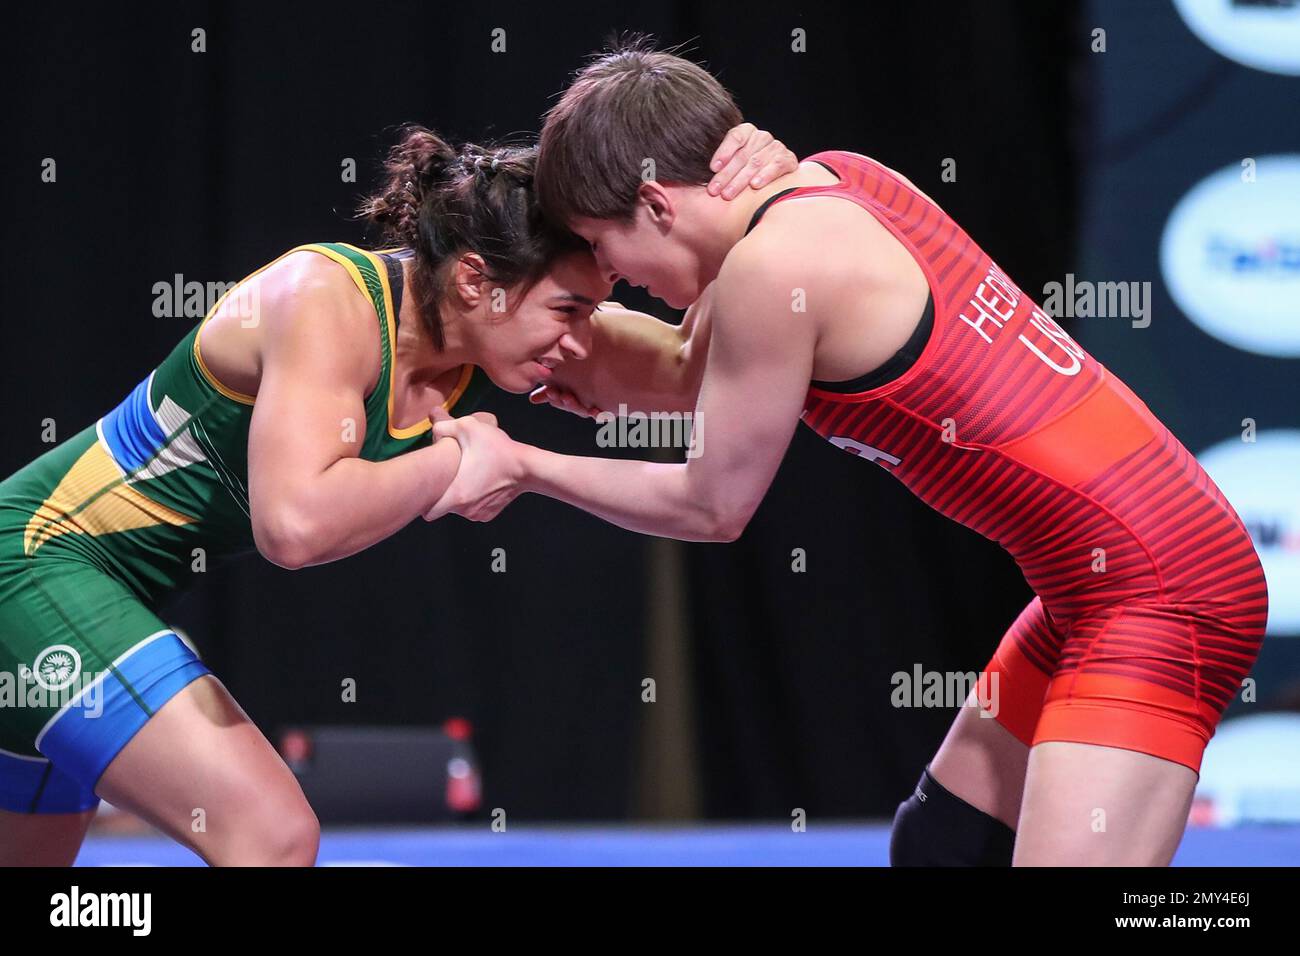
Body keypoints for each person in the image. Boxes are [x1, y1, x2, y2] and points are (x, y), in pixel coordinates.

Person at [427, 41, 1270, 866]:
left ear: (655, 203)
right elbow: (695, 373)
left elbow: (712, 507)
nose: (611, 277)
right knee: (945, 847)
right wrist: (527, 337)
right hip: (1099, 584)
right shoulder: (835, 181)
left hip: (1164, 589)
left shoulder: (774, 269)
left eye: (601, 248)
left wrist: (524, 467)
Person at [0, 121, 797, 865]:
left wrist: (772, 206)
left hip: (85, 603)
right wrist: (458, 461)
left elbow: (706, 371)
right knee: (269, 836)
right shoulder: (323, 297)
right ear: (477, 278)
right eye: (571, 309)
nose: (583, 339)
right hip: (32, 567)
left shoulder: (498, 329)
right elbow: (296, 526)